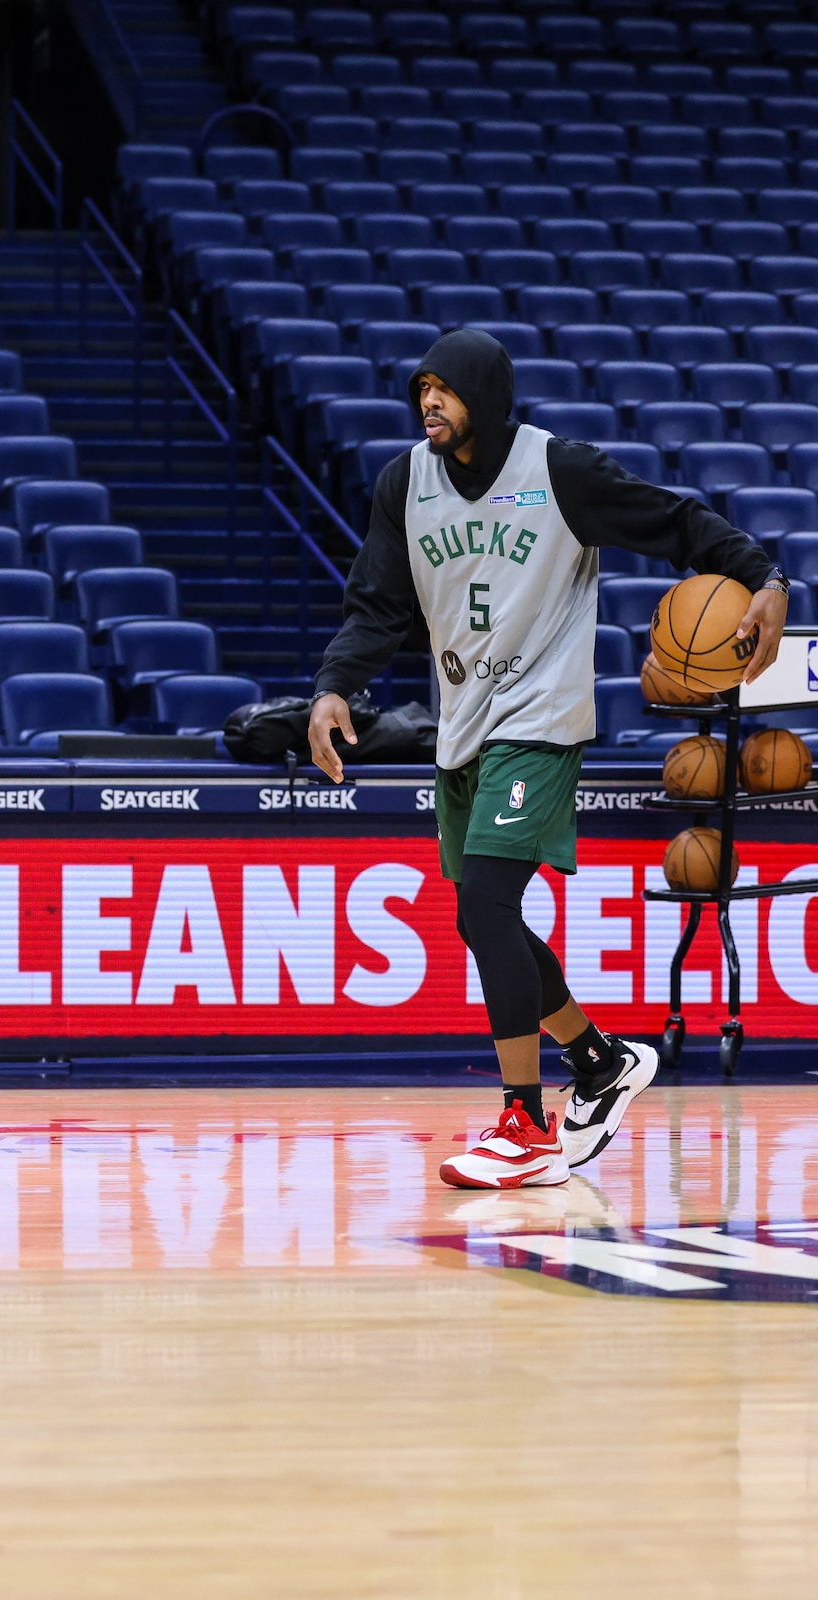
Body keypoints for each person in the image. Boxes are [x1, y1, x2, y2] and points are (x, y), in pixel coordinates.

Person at [307, 328, 789, 1189]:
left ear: (485, 397)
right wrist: (334, 686)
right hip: (464, 721)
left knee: (488, 905)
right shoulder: (403, 483)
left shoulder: (558, 470)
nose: (428, 402)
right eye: (421, 389)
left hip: (540, 720)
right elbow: (377, 605)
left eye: (444, 389)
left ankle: (526, 1124)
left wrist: (764, 579)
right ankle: (599, 1060)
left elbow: (674, 521)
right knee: (478, 920)